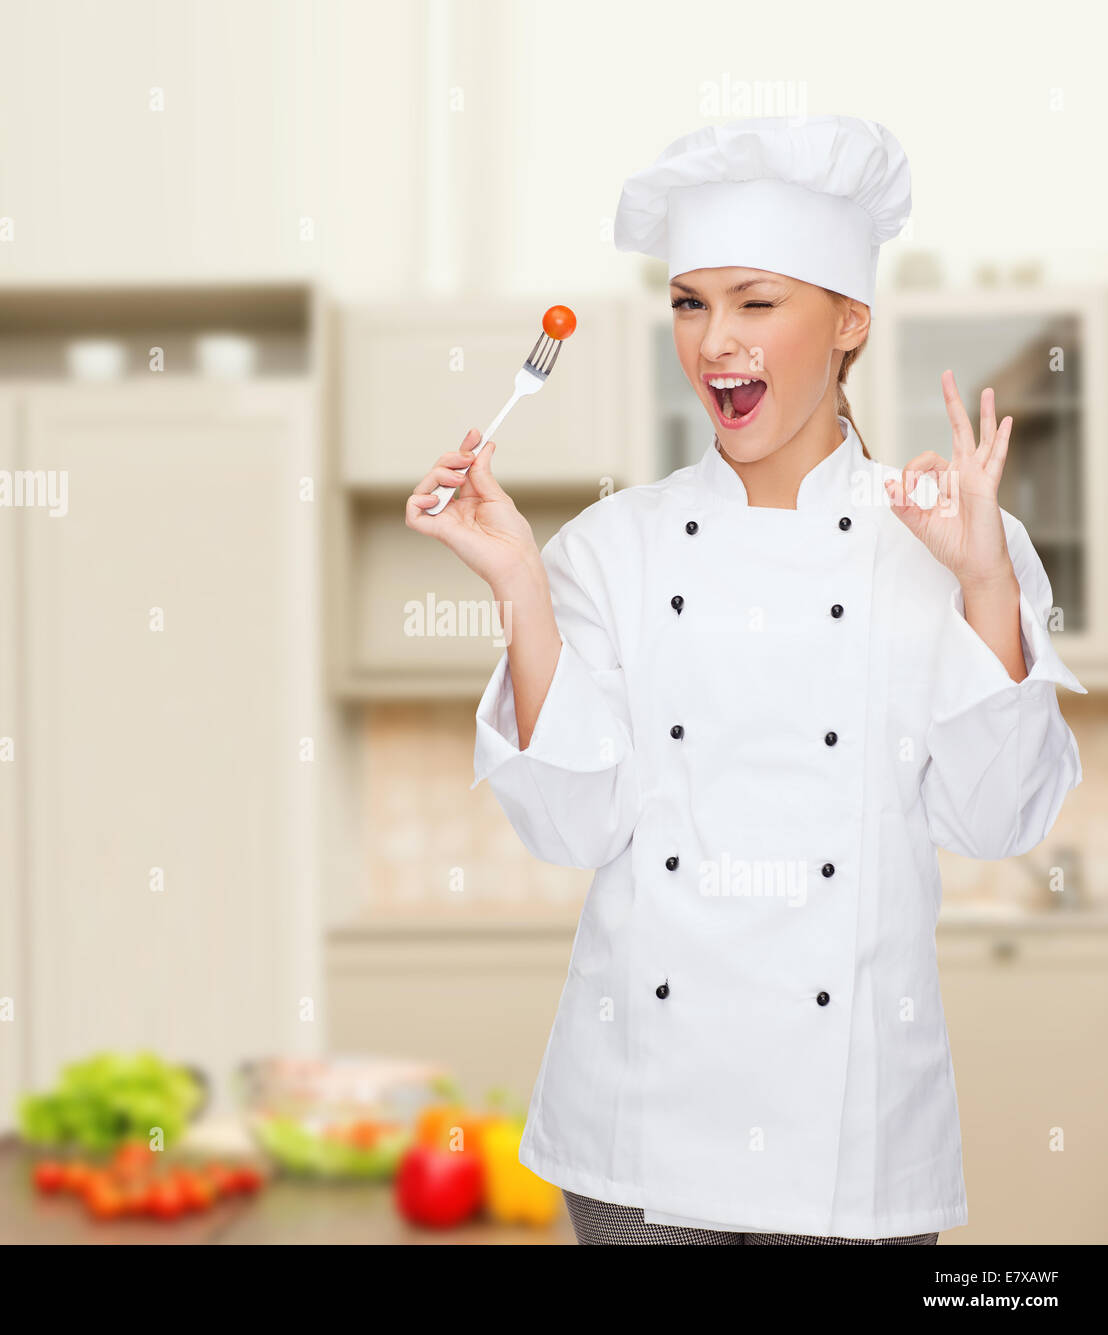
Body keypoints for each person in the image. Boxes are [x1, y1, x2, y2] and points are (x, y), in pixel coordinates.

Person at [404, 115, 1086, 1245]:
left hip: (851, 1141)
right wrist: (519, 580)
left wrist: (980, 587)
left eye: (755, 302)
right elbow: (574, 826)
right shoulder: (611, 548)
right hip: (639, 1132)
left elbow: (997, 818)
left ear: (849, 321)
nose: (714, 340)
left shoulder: (952, 537)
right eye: (689, 302)